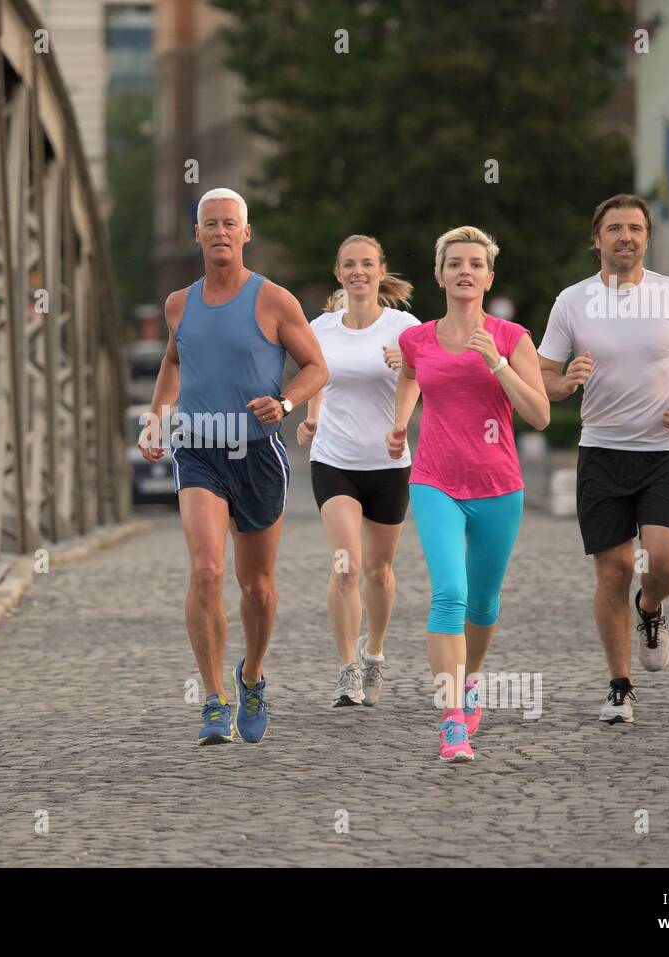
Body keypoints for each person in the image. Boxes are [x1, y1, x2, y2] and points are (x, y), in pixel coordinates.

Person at [139, 187, 328, 745]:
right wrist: (156, 418)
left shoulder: (274, 300)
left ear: (246, 234)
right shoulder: (180, 304)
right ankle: (214, 698)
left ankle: (251, 675)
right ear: (196, 235)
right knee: (206, 571)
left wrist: (287, 403)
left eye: (230, 224)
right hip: (198, 449)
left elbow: (318, 367)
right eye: (210, 224)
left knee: (259, 586)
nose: (220, 232)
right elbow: (174, 362)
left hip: (257, 451)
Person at [537, 194, 669, 724]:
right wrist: (563, 382)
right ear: (596, 239)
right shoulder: (572, 301)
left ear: (647, 237)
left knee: (664, 563)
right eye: (615, 228)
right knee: (614, 571)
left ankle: (651, 608)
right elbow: (544, 374)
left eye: (636, 228)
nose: (626, 237)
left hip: (665, 452)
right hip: (601, 452)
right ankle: (620, 685)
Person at [387, 226, 550, 762]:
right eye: (454, 262)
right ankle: (452, 718)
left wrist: (496, 364)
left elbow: (540, 415)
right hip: (434, 482)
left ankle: (473, 676)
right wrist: (399, 423)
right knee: (449, 594)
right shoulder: (417, 340)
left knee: (483, 604)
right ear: (439, 274)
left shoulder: (511, 337)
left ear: (489, 277)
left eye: (475, 264)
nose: (465, 271)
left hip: (499, 487)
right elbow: (411, 377)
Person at [298, 235, 419, 707]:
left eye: (367, 263)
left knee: (380, 570)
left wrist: (408, 367)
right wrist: (312, 414)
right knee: (345, 563)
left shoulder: (405, 326)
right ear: (338, 272)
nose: (358, 271)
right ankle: (347, 668)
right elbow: (317, 375)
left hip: (388, 462)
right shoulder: (321, 328)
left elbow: (433, 374)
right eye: (349, 264)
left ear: (380, 270)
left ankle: (374, 651)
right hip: (335, 459)